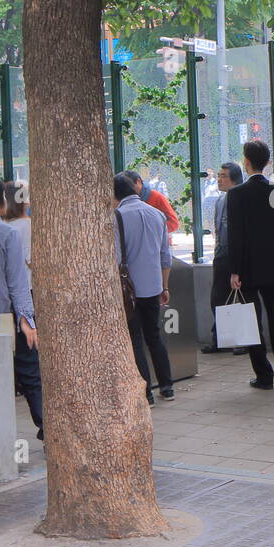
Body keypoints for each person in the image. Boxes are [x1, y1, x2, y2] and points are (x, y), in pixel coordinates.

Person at [227, 139, 274, 389]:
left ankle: (264, 375)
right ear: (267, 163)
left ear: (245, 162)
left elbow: (234, 234)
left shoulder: (236, 194)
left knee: (252, 320)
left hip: (246, 266)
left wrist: (234, 270)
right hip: (273, 264)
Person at [115, 172, 176, 403]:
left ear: (116, 194)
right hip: (153, 286)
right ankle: (167, 386)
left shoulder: (117, 217)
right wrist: (165, 286)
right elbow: (165, 256)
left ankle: (146, 392)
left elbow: (116, 257)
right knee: (154, 336)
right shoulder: (157, 215)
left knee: (135, 339)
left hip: (129, 291)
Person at [0, 178, 42, 440]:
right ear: (0, 201)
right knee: (30, 371)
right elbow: (17, 281)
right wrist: (27, 320)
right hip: (8, 312)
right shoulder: (5, 233)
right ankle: (47, 428)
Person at [203, 161, 247, 355]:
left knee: (241, 298)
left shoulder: (241, 198)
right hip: (221, 254)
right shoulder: (220, 199)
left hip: (236, 254)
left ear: (235, 179)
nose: (219, 179)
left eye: (223, 176)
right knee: (217, 299)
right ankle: (220, 338)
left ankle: (244, 340)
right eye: (219, 175)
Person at [124, 169, 180, 235]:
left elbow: (174, 224)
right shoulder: (127, 199)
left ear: (138, 181)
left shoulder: (157, 197)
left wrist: (148, 230)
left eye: (130, 186)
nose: (127, 190)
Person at [2, 180, 33, 287]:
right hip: (28, 284)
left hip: (10, 285)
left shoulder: (3, 226)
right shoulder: (27, 225)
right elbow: (30, 260)